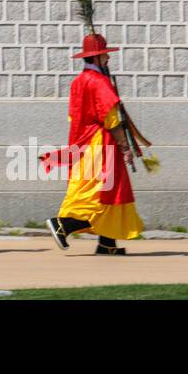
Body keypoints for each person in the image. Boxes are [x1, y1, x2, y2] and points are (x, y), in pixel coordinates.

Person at [44, 29, 145, 254]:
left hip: (83, 142)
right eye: (105, 54)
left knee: (108, 191)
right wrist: (125, 146)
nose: (108, 58)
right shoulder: (99, 82)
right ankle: (64, 225)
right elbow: (111, 119)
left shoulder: (79, 82)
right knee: (101, 193)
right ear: (97, 57)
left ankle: (107, 243)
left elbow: (73, 116)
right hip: (101, 144)